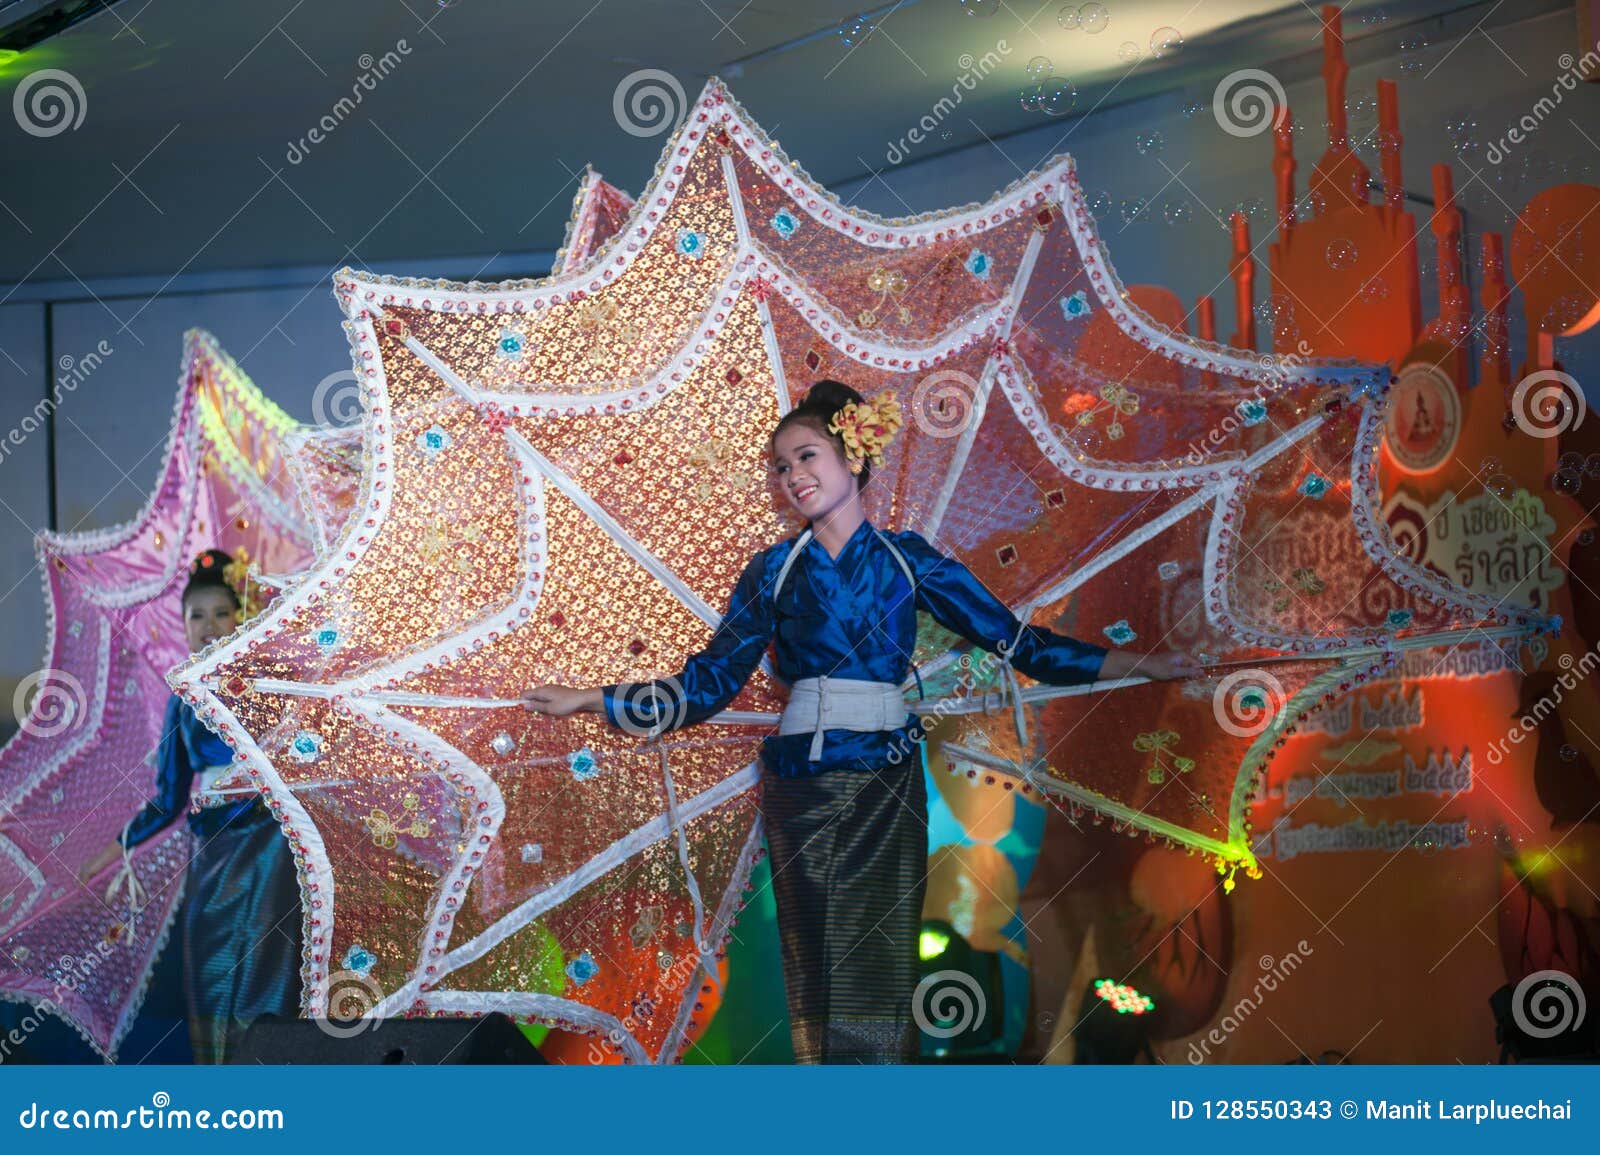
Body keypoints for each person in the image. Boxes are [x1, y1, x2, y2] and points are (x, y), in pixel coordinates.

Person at [521, 379, 1201, 1064]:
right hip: (802, 781)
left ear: (854, 458)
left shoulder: (910, 561)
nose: (792, 476)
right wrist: (593, 700)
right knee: (817, 972)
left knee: (877, 968)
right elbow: (707, 685)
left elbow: (1020, 644)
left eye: (807, 456)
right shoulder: (773, 572)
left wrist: (1141, 663)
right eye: (781, 466)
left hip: (886, 776)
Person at [80, 549, 302, 1064]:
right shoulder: (183, 700)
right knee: (210, 979)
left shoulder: (270, 683)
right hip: (211, 863)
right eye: (195, 615)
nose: (208, 626)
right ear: (182, 625)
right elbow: (167, 799)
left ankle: (275, 1103)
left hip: (271, 855)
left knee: (267, 982)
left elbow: (303, 762)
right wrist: (112, 852)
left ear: (240, 616)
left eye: (220, 612)